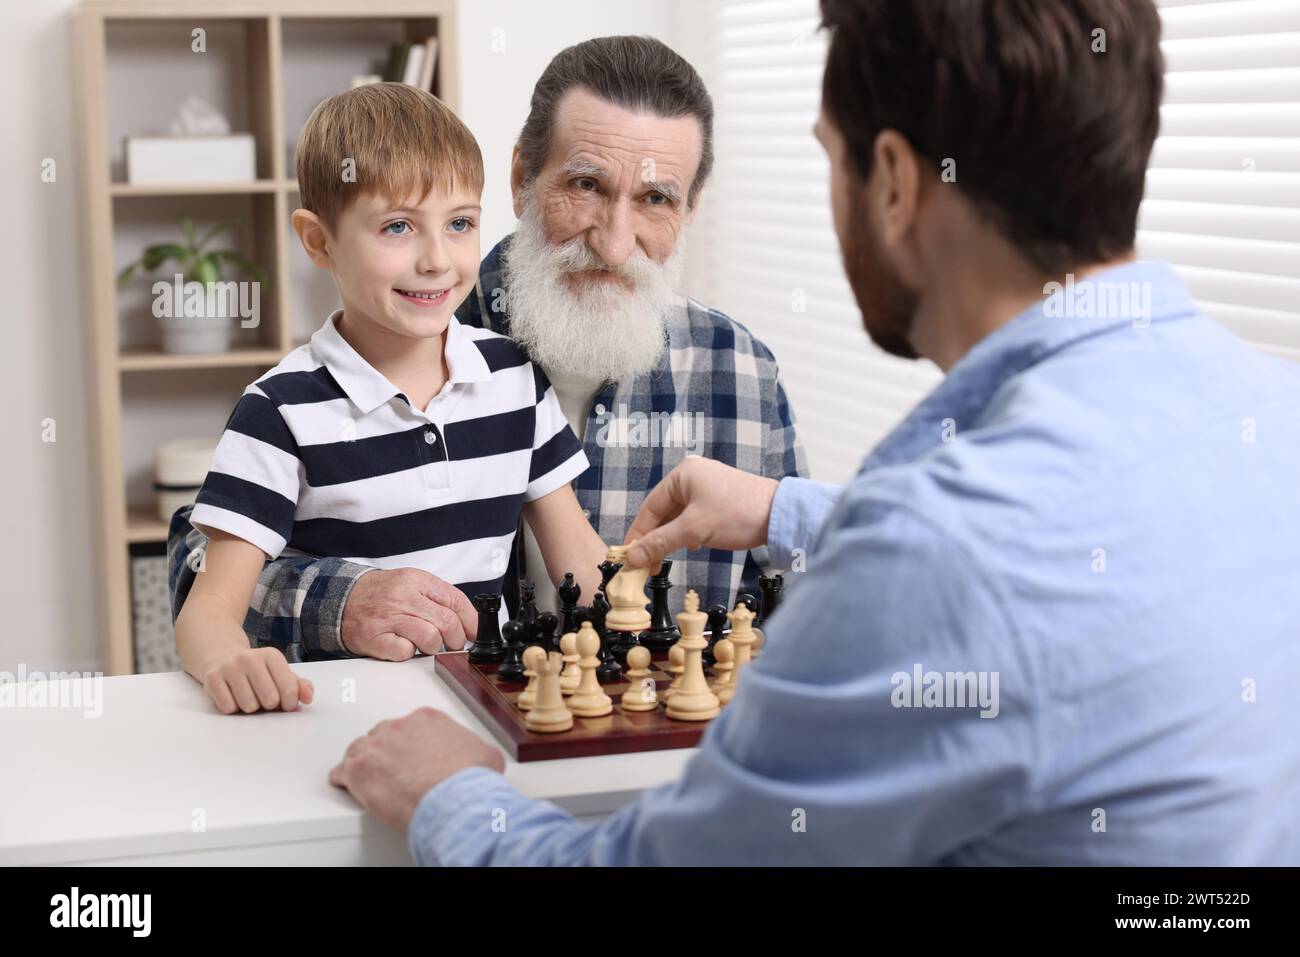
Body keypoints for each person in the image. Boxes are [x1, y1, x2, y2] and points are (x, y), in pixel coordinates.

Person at [329, 0, 1300, 865]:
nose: (617, 236)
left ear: (892, 181)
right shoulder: (1271, 412)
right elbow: (1063, 548)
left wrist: (453, 800)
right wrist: (797, 510)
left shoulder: (931, 542)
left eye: (830, 156)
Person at [167, 35, 808, 663]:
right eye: (585, 185)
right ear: (522, 178)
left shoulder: (742, 373)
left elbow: (815, 603)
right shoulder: (409, 327)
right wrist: (341, 599)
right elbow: (195, 566)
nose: (614, 243)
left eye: (656, 198)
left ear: (691, 208)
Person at [174, 83, 606, 713]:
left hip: (494, 709)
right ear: (318, 241)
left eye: (459, 224)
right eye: (398, 226)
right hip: (343, 718)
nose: (437, 260)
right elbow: (206, 612)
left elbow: (582, 565)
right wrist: (231, 661)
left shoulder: (514, 377)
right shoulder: (279, 411)